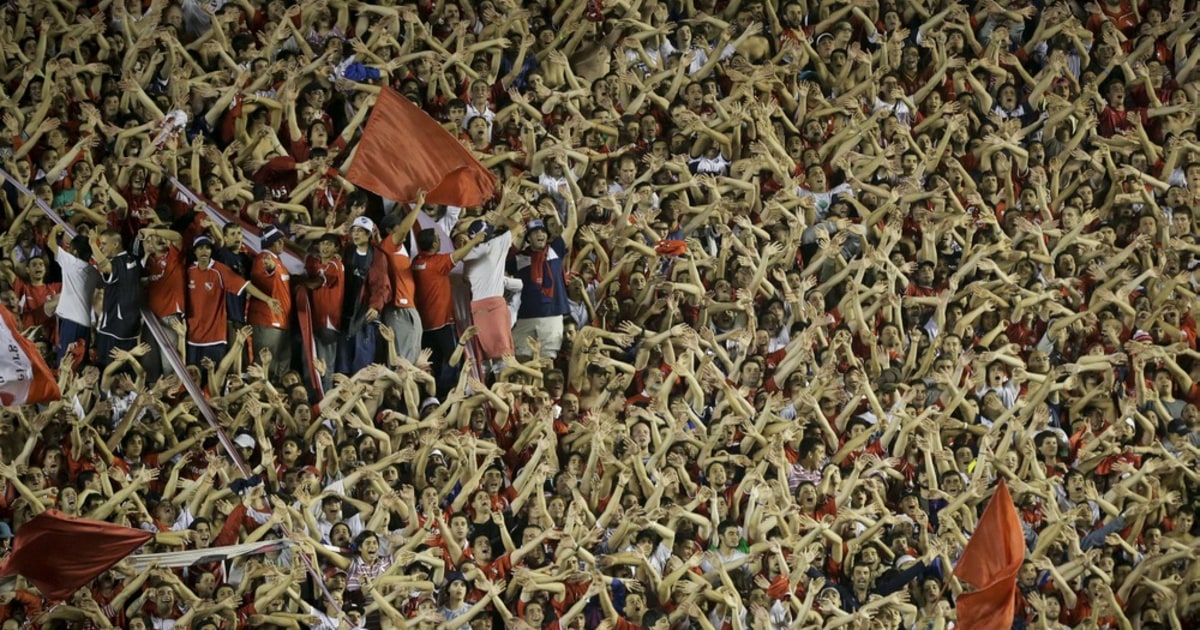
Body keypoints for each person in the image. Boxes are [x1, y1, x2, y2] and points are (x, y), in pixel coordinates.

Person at [248, 227, 293, 381]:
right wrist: (270, 266)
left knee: (280, 367)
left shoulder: (277, 260)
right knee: (265, 365)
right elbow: (265, 271)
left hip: (281, 321)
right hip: (267, 320)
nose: (282, 243)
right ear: (270, 242)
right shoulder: (264, 259)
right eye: (278, 240)